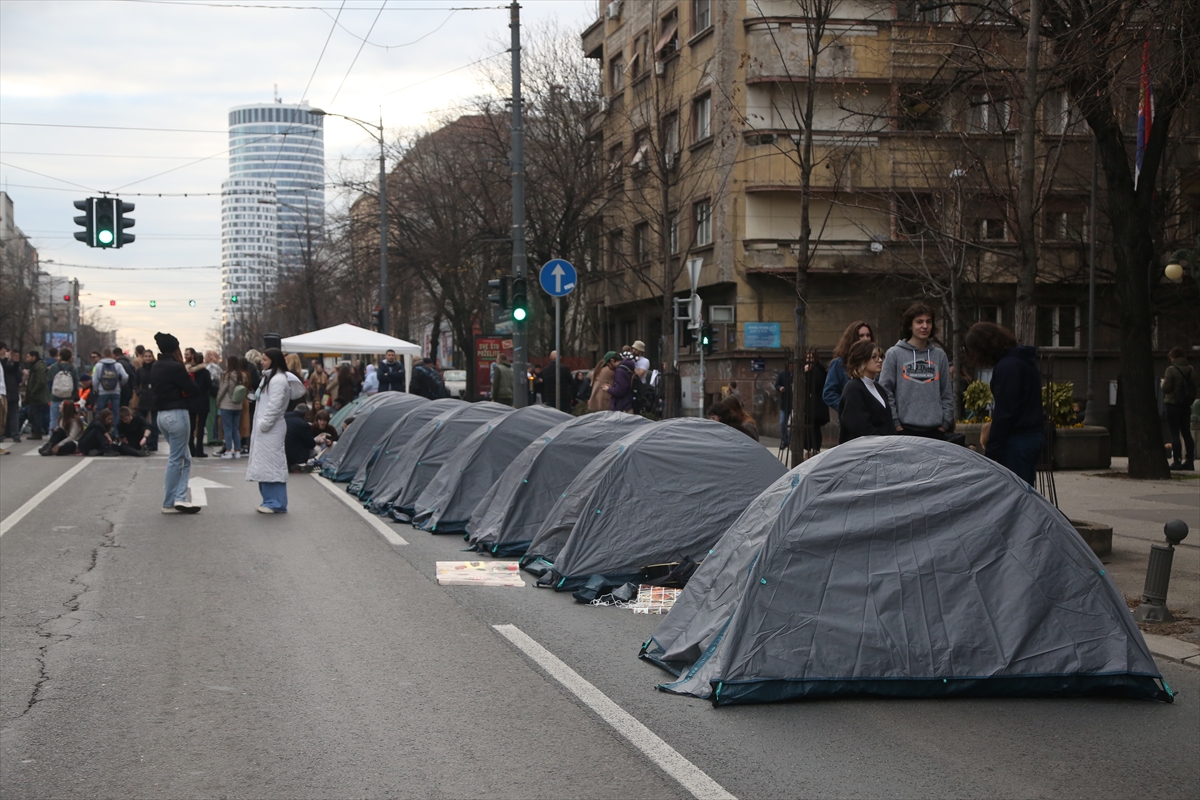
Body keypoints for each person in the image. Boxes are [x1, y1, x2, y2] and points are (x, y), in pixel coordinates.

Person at [964, 322, 1044, 484]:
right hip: (1031, 435)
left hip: (1016, 440)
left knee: (1013, 493)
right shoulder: (1023, 361)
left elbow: (1005, 412)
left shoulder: (1007, 367)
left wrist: (993, 452)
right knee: (1024, 491)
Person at [879, 302, 954, 438]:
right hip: (904, 430)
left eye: (928, 322)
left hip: (935, 431)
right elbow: (885, 391)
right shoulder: (894, 354)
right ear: (910, 325)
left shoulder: (939, 355)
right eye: (919, 322)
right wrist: (896, 423)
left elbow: (947, 393)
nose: (925, 326)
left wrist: (945, 424)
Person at [151, 333, 201, 514]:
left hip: (162, 416)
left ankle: (180, 497)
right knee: (176, 459)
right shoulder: (176, 367)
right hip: (177, 414)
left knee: (184, 458)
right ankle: (170, 501)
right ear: (175, 349)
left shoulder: (156, 366)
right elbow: (193, 390)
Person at [247, 348, 291, 513]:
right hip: (266, 429)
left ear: (274, 360)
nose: (261, 362)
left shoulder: (278, 380)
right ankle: (268, 500)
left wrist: (264, 424)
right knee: (265, 465)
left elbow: (275, 405)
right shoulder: (269, 377)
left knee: (273, 465)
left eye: (265, 359)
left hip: (271, 428)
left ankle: (277, 503)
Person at [838, 340, 895, 443]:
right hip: (863, 451)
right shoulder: (853, 388)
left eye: (880, 356)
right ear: (862, 360)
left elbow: (887, 422)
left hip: (884, 449)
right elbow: (858, 425)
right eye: (874, 357)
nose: (880, 360)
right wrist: (881, 442)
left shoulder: (879, 388)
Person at [823, 320, 875, 411]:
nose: (866, 339)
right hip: (851, 419)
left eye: (868, 335)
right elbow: (829, 393)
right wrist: (847, 407)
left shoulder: (876, 362)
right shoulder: (840, 363)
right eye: (861, 336)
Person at [1162, 345, 1195, 471]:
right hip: (1186, 405)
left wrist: (1163, 383)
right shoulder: (1191, 369)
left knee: (1174, 433)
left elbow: (1166, 388)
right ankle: (1190, 461)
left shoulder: (1171, 370)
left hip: (1172, 404)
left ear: (1173, 357)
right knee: (1186, 433)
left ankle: (1177, 460)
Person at [215, 356, 246, 460]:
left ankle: (228, 450)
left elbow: (222, 390)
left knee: (227, 428)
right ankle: (237, 450)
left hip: (227, 404)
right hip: (238, 405)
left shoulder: (226, 375)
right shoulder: (242, 375)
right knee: (235, 428)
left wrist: (218, 401)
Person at [91, 347, 128, 430]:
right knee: (116, 413)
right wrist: (120, 384)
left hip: (102, 392)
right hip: (116, 391)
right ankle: (117, 433)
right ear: (111, 355)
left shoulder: (98, 365)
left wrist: (97, 390)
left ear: (103, 355)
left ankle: (100, 430)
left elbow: (95, 380)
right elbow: (125, 377)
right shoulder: (117, 365)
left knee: (100, 413)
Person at [185, 349, 213, 457]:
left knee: (191, 427)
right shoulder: (205, 372)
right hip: (203, 401)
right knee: (201, 426)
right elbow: (209, 387)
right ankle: (199, 450)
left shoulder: (189, 372)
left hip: (191, 401)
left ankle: (191, 449)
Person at [803, 349, 830, 454]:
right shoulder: (817, 370)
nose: (809, 360)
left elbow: (814, 385)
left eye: (811, 358)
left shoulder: (817, 371)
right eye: (807, 358)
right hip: (814, 407)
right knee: (813, 429)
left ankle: (813, 449)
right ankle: (812, 449)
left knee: (813, 429)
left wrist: (807, 373)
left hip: (815, 407)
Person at [47, 348, 79, 432]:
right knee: (69, 418)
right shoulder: (73, 369)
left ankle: (53, 438)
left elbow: (49, 378)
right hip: (68, 398)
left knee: (54, 418)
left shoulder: (54, 367)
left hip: (55, 396)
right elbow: (76, 384)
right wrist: (74, 396)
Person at [134, 349, 158, 452]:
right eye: (146, 356)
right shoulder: (140, 370)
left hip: (154, 397)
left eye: (149, 356)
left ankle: (153, 444)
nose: (148, 358)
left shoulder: (156, 368)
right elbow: (135, 382)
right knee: (141, 421)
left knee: (154, 422)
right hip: (143, 397)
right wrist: (138, 391)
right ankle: (140, 442)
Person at [283, 403, 318, 471]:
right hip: (295, 455)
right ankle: (301, 464)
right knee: (314, 451)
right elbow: (311, 444)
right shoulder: (304, 425)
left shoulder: (284, 416)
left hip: (281, 451)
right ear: (306, 414)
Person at [24, 351, 50, 440]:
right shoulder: (35, 366)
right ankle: (35, 431)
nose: (27, 359)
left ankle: (37, 432)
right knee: (32, 414)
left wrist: (33, 391)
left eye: (28, 357)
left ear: (34, 357)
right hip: (34, 395)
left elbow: (40, 381)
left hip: (37, 396)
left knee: (35, 414)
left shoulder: (39, 367)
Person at [1, 343, 19, 444]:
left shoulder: (8, 363)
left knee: (13, 414)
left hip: (11, 391)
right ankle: (3, 433)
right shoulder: (3, 362)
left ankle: (14, 434)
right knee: (3, 415)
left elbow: (13, 372)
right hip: (4, 392)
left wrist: (15, 362)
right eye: (4, 350)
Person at [775, 363, 793, 446]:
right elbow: (777, 384)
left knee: (793, 424)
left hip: (794, 403)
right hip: (785, 402)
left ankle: (792, 440)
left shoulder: (797, 374)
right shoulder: (782, 374)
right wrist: (780, 388)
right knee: (782, 422)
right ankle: (785, 439)